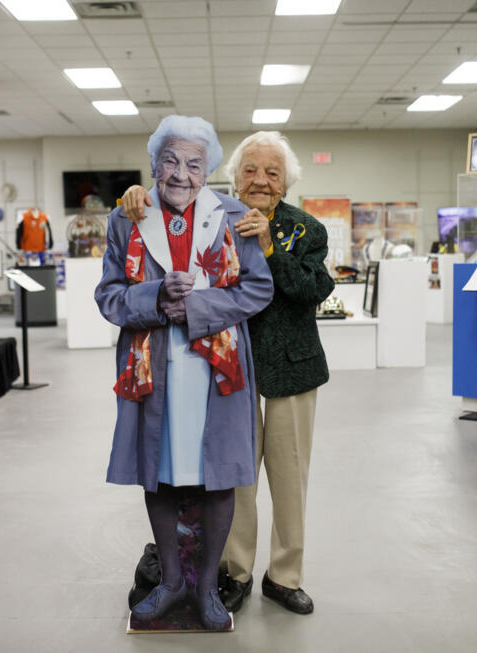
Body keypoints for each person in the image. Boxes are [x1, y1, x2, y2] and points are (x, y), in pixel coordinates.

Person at [121, 130, 334, 616]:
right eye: (251, 170)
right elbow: (161, 217)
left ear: (287, 182)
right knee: (233, 476)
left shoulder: (305, 229)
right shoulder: (216, 218)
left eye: (272, 172)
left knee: (289, 477)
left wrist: (271, 249)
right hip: (229, 370)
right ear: (234, 176)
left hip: (289, 372)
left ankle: (284, 576)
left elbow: (312, 290)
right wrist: (132, 196)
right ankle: (233, 572)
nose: (260, 179)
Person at [95, 116, 273, 630]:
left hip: (217, 373)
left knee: (219, 477)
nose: (180, 173)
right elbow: (108, 295)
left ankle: (207, 588)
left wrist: (194, 308)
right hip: (152, 370)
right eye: (170, 160)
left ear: (209, 170)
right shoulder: (126, 218)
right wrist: (153, 298)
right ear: (154, 163)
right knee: (161, 473)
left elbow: (257, 289)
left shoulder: (235, 215)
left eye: (194, 164)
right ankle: (171, 581)